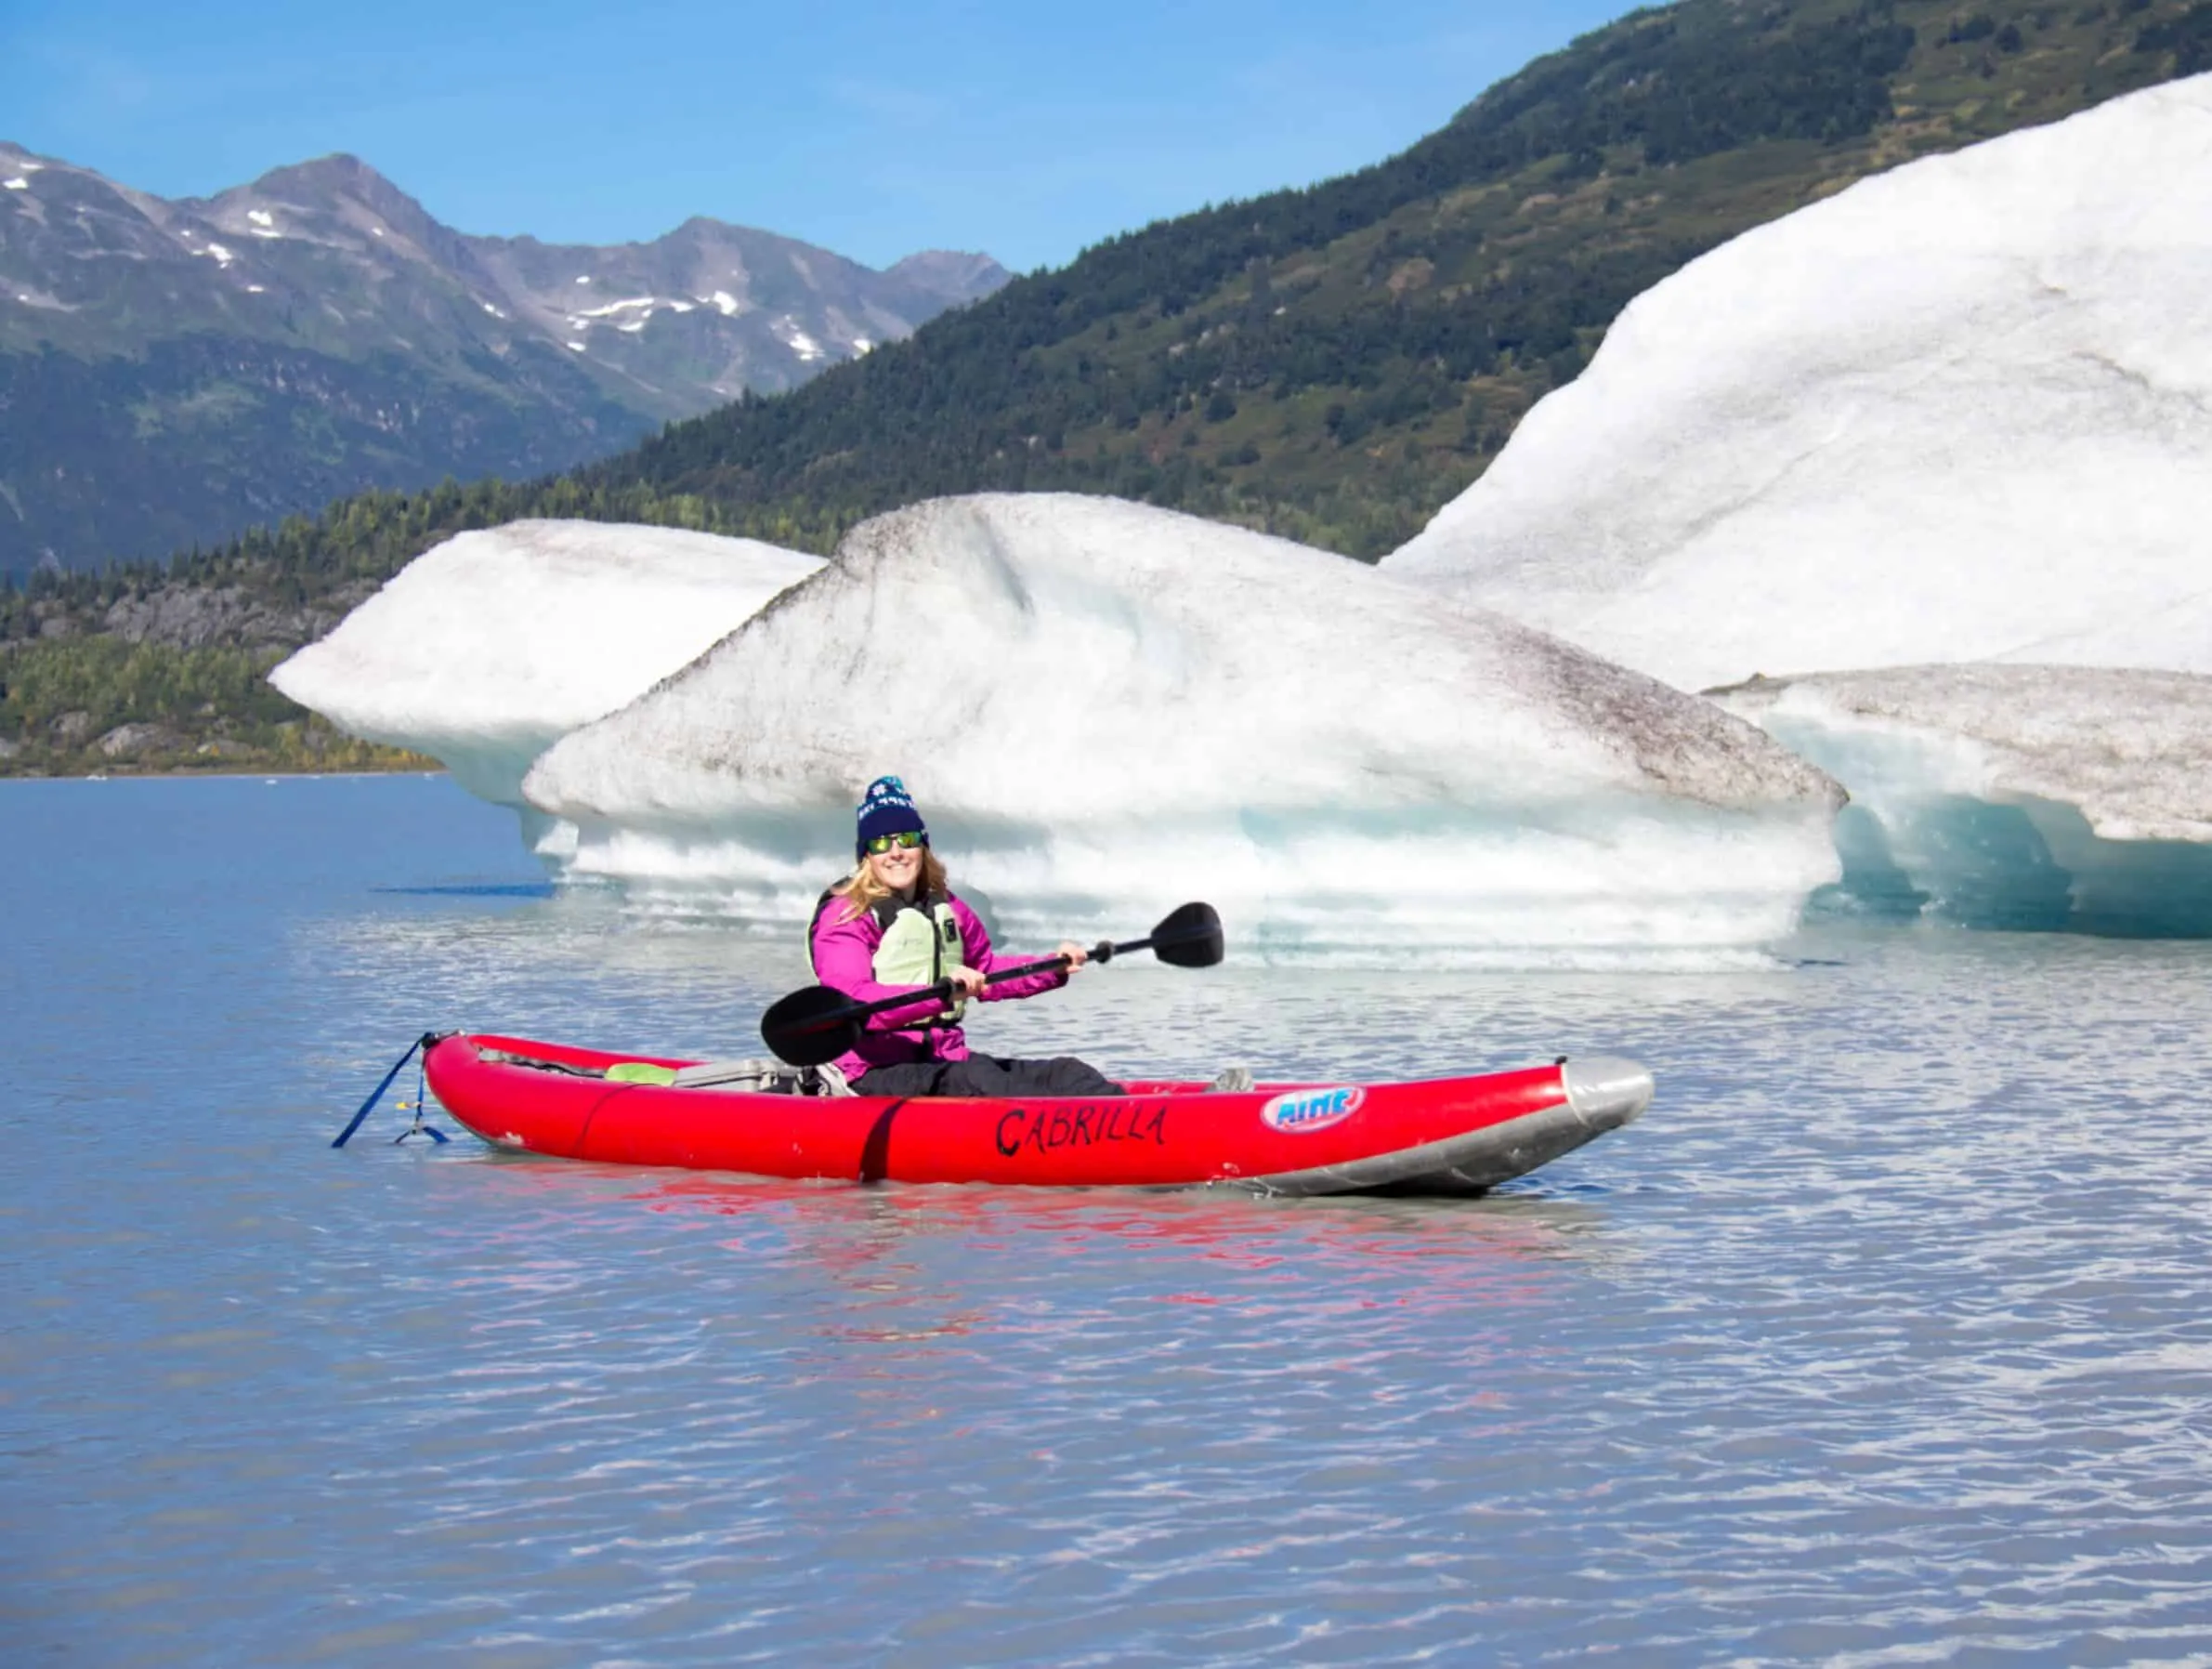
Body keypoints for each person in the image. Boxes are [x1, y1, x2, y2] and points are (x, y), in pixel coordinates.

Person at [807, 776, 1127, 1097]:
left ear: (922, 846)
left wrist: (1051, 968)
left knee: (1067, 1074)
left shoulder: (948, 907)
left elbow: (985, 969)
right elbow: (853, 1002)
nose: (895, 852)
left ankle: (1133, 1128)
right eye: (881, 843)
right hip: (872, 1072)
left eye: (906, 839)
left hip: (943, 1060)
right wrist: (941, 993)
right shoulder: (845, 916)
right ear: (867, 855)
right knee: (977, 1078)